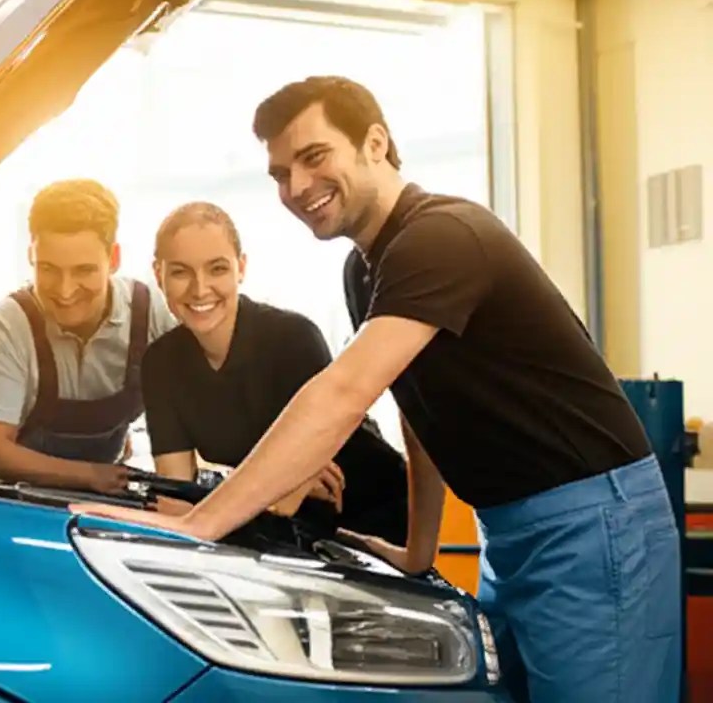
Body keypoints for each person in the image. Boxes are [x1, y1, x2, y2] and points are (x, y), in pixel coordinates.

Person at [70, 76, 680, 703]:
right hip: (510, 530)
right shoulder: (365, 270)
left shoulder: (442, 236)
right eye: (280, 174)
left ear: (375, 143)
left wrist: (202, 524)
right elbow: (417, 411)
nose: (297, 187)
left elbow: (342, 395)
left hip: (590, 522)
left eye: (314, 158)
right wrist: (420, 550)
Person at [143, 200, 409, 543]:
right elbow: (176, 496)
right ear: (158, 275)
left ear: (241, 268)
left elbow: (288, 499)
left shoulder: (293, 338)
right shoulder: (161, 363)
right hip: (272, 526)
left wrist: (269, 490)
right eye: (180, 271)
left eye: (217, 269)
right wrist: (276, 485)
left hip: (370, 512)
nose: (199, 288)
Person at [0, 178, 175, 495]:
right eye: (48, 269)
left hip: (111, 492)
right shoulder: (5, 325)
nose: (64, 291)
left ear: (113, 259)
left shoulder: (152, 313)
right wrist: (89, 476)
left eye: (84, 270)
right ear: (30, 256)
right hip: (22, 499)